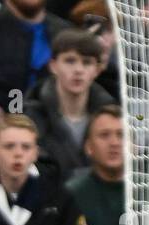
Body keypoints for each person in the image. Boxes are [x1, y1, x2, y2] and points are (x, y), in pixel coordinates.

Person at [22, 28, 113, 180]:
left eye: (87, 62)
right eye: (70, 61)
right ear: (53, 66)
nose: (78, 70)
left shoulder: (112, 117)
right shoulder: (31, 117)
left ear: (97, 70)